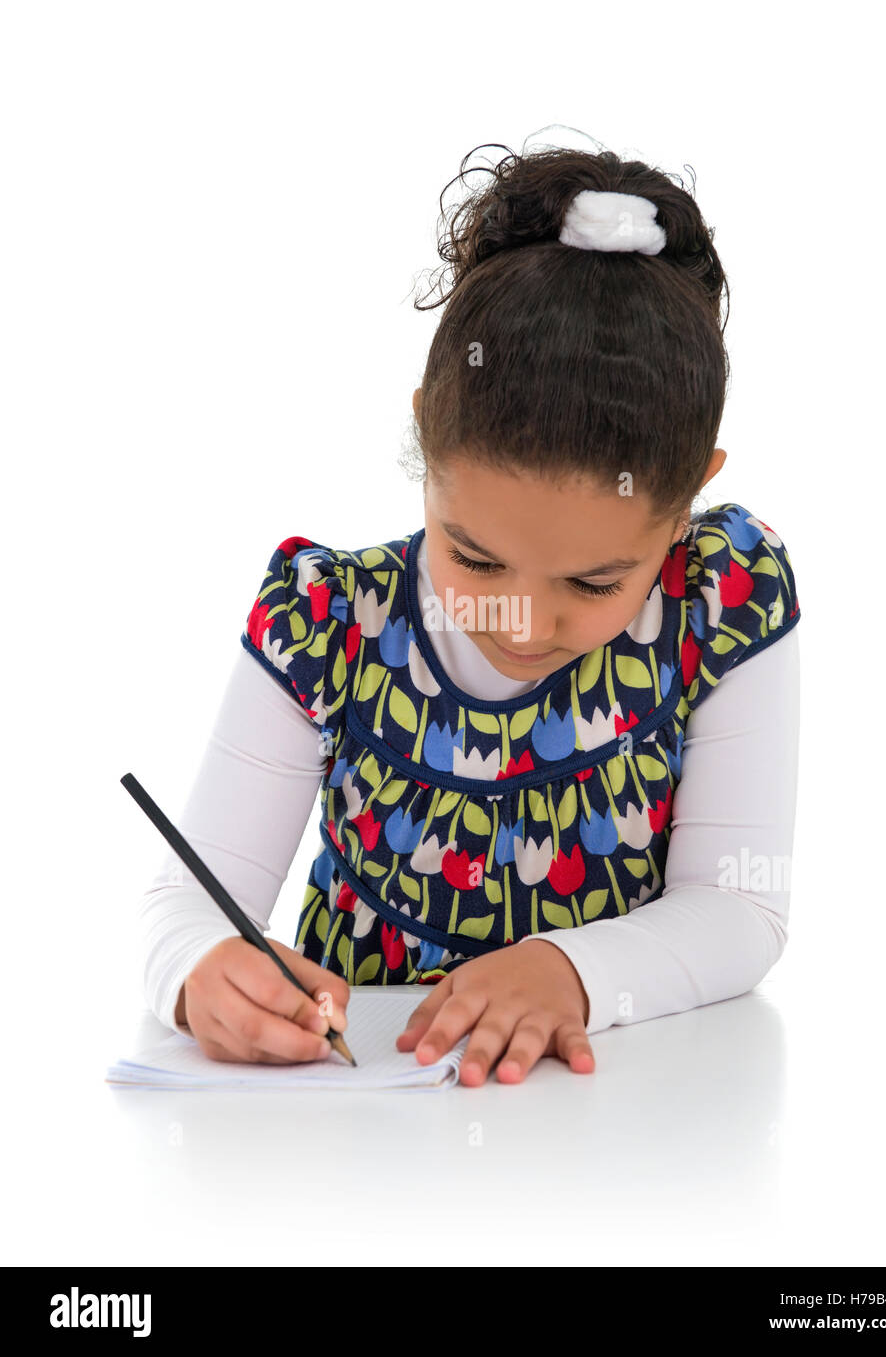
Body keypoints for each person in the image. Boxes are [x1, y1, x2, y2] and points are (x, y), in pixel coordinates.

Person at [140, 140, 801, 1088]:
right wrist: (198, 973)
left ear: (692, 494)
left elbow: (743, 909)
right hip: (353, 1132)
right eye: (477, 558)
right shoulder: (325, 621)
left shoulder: (721, 601)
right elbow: (187, 895)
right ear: (423, 440)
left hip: (627, 1132)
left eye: (594, 583)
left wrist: (572, 971)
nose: (523, 625)